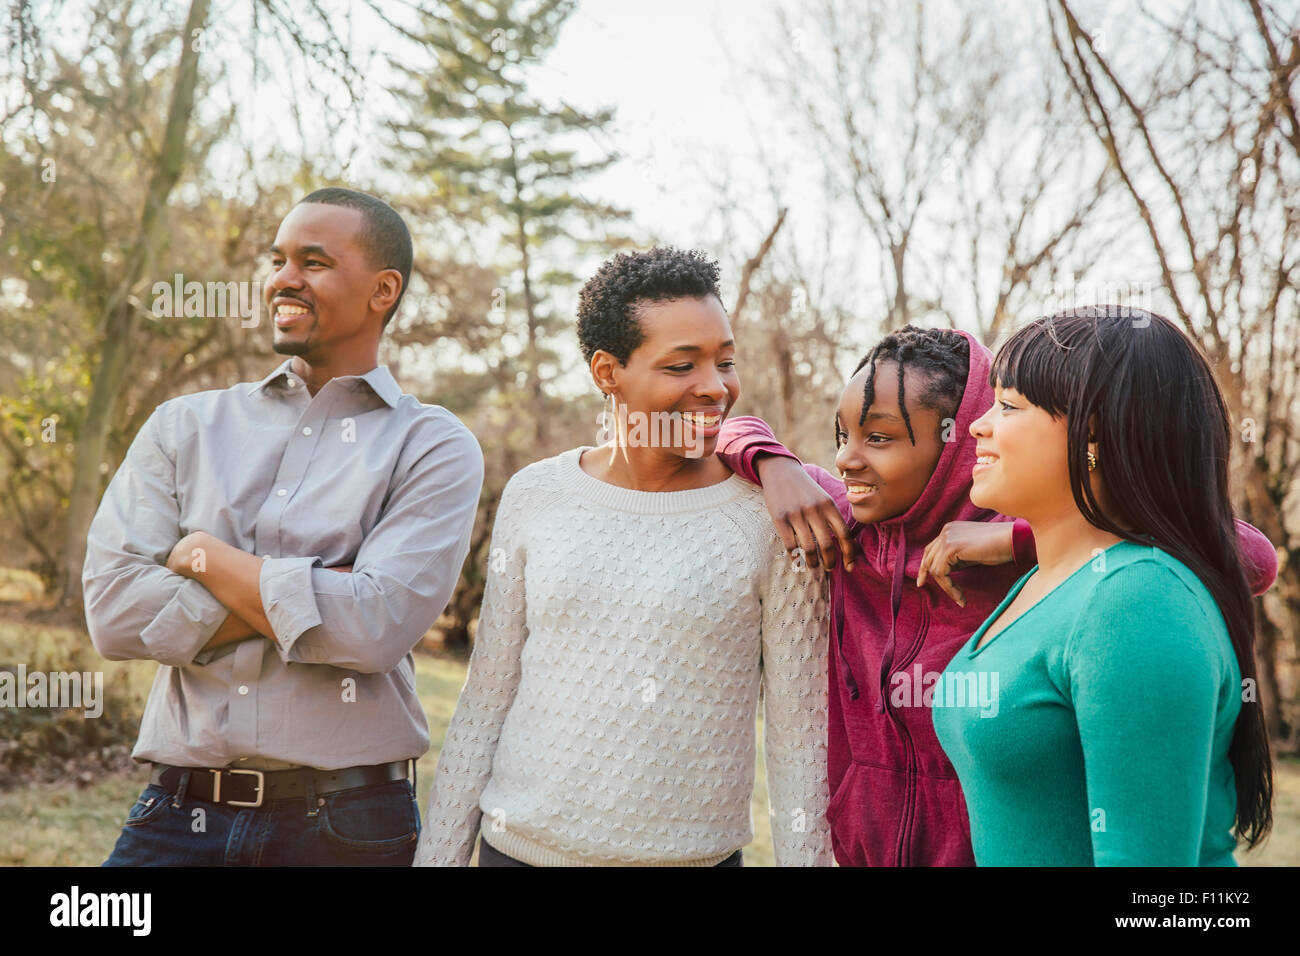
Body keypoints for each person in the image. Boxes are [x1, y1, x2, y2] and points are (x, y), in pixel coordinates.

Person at [713, 325, 1277, 865]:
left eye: (879, 437)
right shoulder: (842, 526)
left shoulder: (1073, 562)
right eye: (843, 437)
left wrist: (1016, 540)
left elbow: (1250, 555)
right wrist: (774, 462)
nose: (847, 458)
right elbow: (721, 430)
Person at [85, 187, 483, 866]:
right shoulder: (184, 426)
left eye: (314, 261)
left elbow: (375, 627)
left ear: (382, 289)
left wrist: (205, 555)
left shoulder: (433, 445)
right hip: (175, 818)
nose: (283, 280)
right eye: (277, 259)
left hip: (349, 827)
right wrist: (320, 589)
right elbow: (114, 613)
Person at [413, 248, 832, 867]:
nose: (716, 386)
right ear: (608, 372)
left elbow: (801, 739)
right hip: (519, 851)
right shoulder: (536, 494)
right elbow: (485, 698)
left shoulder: (771, 516)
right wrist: (439, 859)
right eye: (681, 365)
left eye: (725, 360)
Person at [932, 307, 1273, 865]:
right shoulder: (1046, 582)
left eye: (1009, 406)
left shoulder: (1135, 602)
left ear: (1094, 435)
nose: (977, 425)